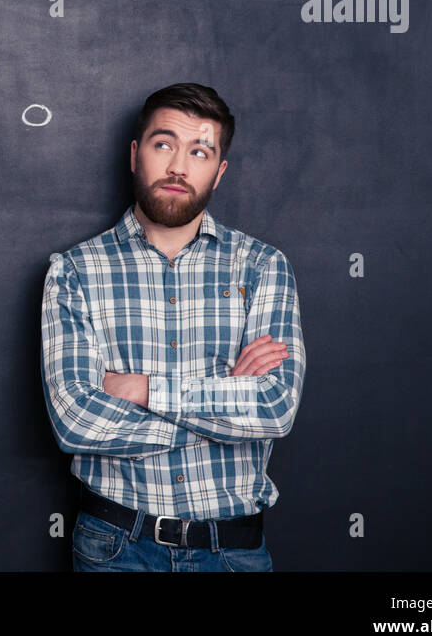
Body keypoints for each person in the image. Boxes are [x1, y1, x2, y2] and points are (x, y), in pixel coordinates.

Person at [40, 83, 305, 571]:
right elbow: (75, 420)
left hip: (232, 552)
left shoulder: (263, 267)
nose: (180, 166)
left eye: (200, 151)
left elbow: (274, 409)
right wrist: (224, 408)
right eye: (164, 145)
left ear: (219, 172)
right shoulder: (75, 270)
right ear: (136, 154)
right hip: (115, 546)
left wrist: (140, 389)